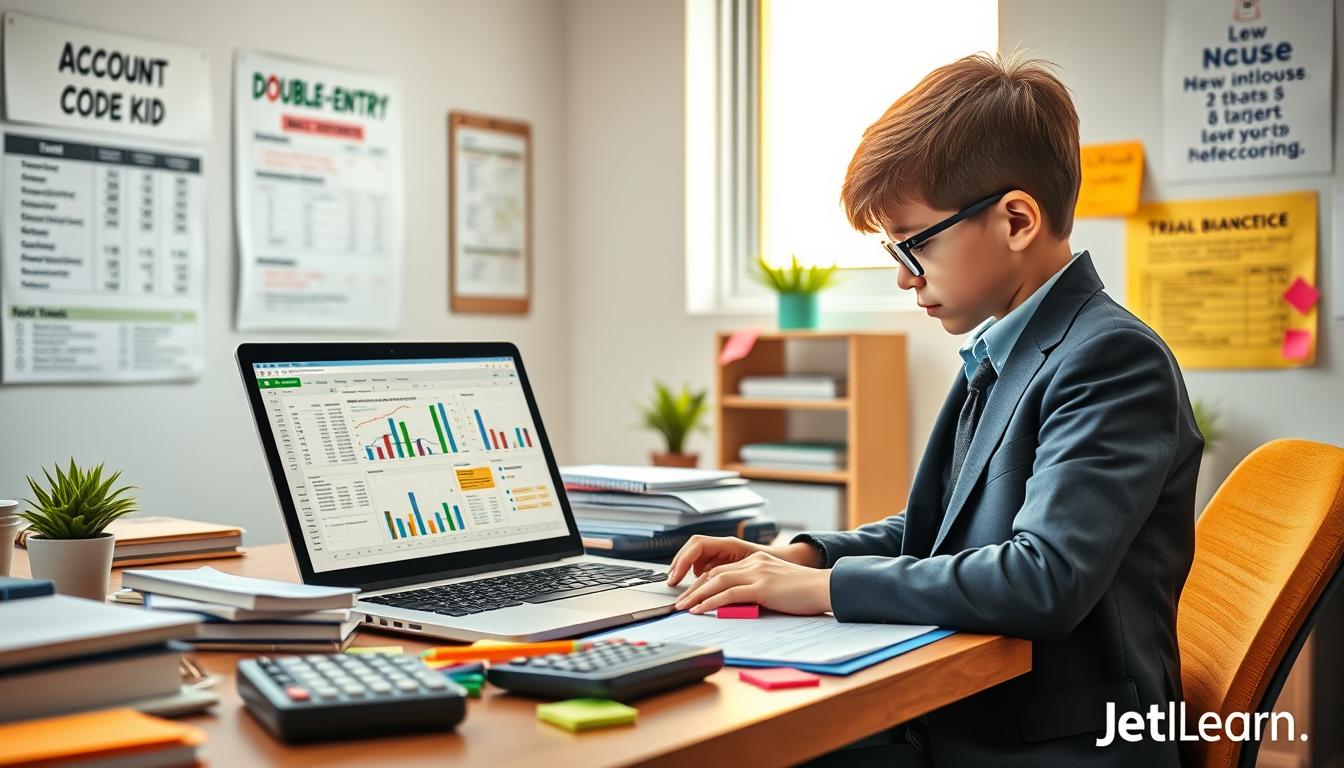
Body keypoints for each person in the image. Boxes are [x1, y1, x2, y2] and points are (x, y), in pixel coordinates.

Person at [664, 51, 1203, 767]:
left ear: (1015, 219)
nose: (901, 276)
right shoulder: (1006, 351)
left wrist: (819, 590)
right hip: (984, 716)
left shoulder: (1111, 361)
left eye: (914, 246)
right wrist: (801, 555)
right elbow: (944, 534)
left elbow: (1041, 577)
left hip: (1056, 744)